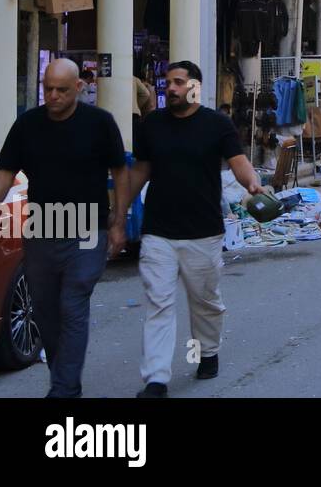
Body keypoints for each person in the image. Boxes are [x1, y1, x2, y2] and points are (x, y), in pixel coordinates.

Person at [116, 61, 263, 398]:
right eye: (168, 82)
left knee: (204, 302)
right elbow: (140, 171)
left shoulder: (217, 125)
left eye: (178, 82)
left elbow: (238, 162)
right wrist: (119, 215)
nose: (171, 88)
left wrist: (253, 183)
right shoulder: (152, 126)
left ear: (194, 87)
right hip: (159, 232)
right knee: (159, 305)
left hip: (203, 232)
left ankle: (205, 353)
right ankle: (156, 379)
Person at [0, 59, 126, 397]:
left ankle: (64, 389)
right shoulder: (27, 125)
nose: (52, 96)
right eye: (47, 88)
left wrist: (119, 222)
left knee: (72, 304)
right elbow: (5, 173)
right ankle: (63, 375)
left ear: (78, 89)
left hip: (86, 226)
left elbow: (120, 172)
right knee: (45, 311)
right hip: (42, 227)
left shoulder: (100, 123)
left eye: (61, 90)